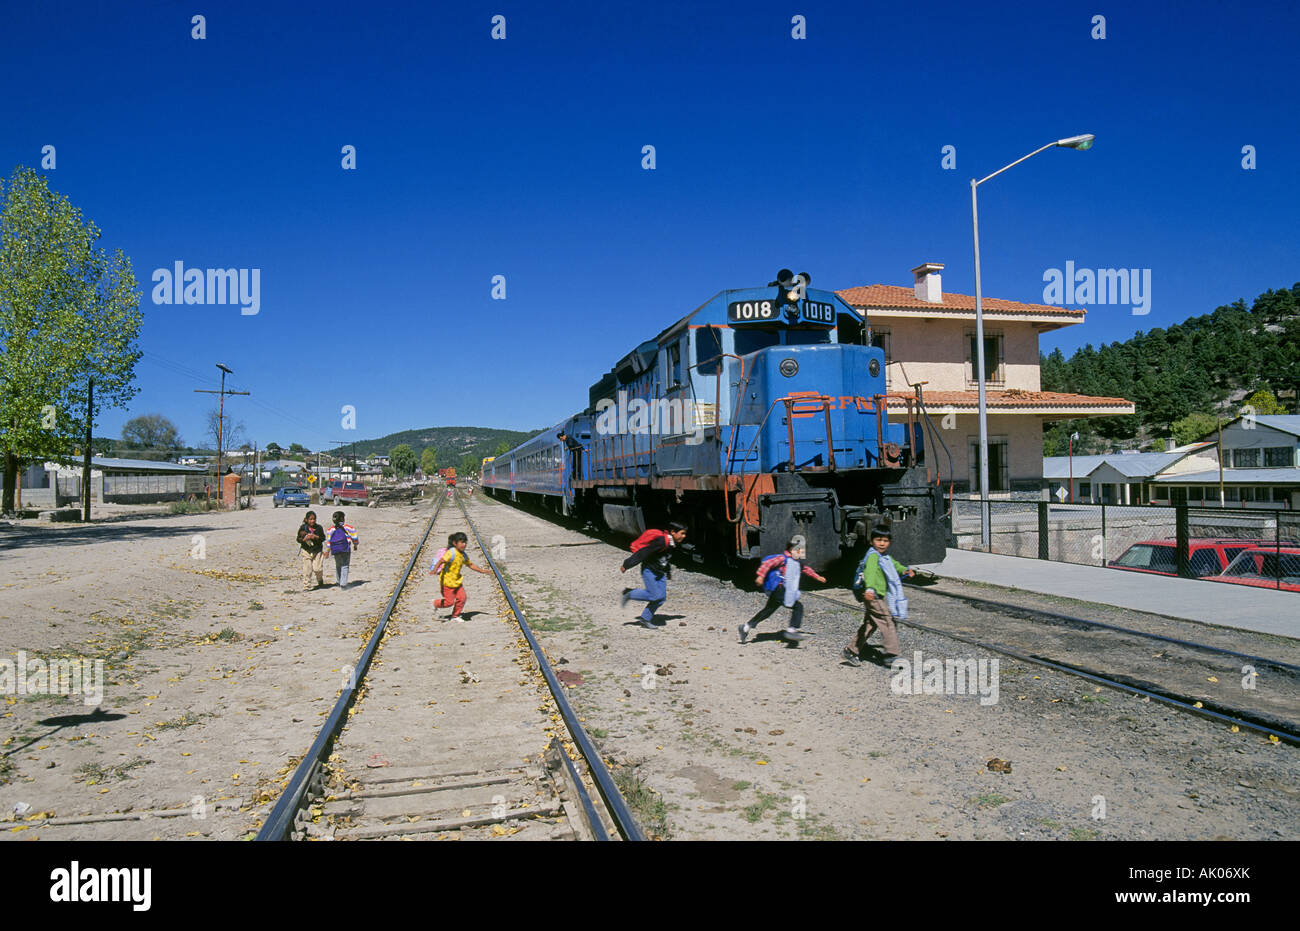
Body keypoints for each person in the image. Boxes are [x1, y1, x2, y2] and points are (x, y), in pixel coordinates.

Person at [843, 526, 914, 667]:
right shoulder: (873, 556)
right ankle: (890, 655)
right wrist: (869, 589)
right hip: (872, 594)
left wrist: (905, 570)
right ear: (871, 542)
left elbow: (896, 566)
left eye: (885, 541)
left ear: (890, 542)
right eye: (878, 540)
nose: (882, 543)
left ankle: (851, 650)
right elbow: (869, 573)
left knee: (870, 624)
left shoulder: (885, 557)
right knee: (888, 622)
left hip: (876, 595)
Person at [739, 539, 826, 644]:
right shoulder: (782, 558)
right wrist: (761, 576)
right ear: (792, 549)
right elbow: (768, 564)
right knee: (798, 606)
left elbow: (805, 568)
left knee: (768, 611)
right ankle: (791, 630)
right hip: (779, 589)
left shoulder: (796, 561)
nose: (802, 554)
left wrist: (817, 577)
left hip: (781, 590)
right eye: (801, 551)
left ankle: (746, 627)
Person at [619, 522, 687, 630]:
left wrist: (668, 572)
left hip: (660, 572)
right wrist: (627, 564)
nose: (684, 536)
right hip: (649, 570)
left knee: (661, 598)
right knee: (654, 595)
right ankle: (629, 593)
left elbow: (666, 558)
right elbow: (643, 552)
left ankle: (645, 619)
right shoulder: (662, 541)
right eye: (682, 533)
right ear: (673, 532)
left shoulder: (672, 543)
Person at [429, 531, 491, 621]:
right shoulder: (451, 553)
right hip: (447, 582)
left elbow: (470, 565)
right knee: (449, 602)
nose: (464, 544)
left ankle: (455, 616)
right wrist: (434, 570)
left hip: (457, 581)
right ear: (455, 543)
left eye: (465, 542)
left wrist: (482, 570)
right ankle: (435, 603)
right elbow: (441, 561)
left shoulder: (463, 555)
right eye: (461, 542)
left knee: (462, 598)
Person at [328, 510, 360, 589]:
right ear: (342, 519)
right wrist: (355, 545)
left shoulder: (330, 529)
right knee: (345, 565)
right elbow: (355, 538)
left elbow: (329, 541)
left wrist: (328, 550)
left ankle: (338, 581)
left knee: (338, 565)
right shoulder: (349, 528)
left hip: (335, 550)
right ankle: (343, 583)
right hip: (345, 549)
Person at [297, 510, 326, 590]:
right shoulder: (303, 528)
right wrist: (304, 539)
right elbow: (298, 539)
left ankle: (320, 580)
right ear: (306, 520)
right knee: (307, 569)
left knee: (317, 569)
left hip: (317, 551)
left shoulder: (319, 528)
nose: (312, 521)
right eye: (310, 519)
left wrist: (315, 537)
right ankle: (307, 585)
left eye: (314, 519)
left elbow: (323, 538)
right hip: (306, 550)